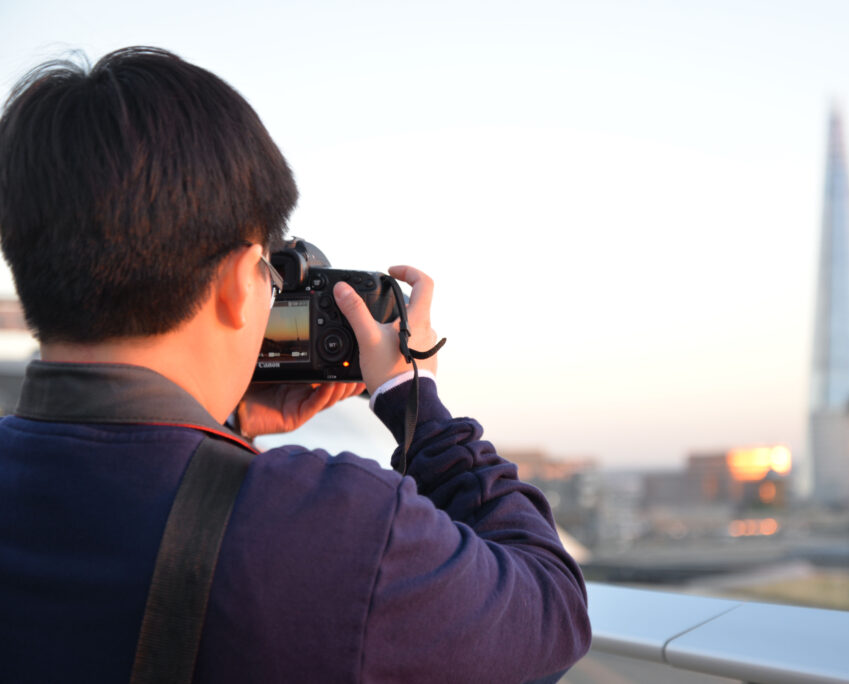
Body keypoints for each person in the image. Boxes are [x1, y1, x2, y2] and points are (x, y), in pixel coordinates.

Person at [0, 47, 590, 683]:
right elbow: (551, 608)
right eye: (266, 274)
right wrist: (412, 399)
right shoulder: (335, 530)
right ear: (234, 282)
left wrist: (223, 428)